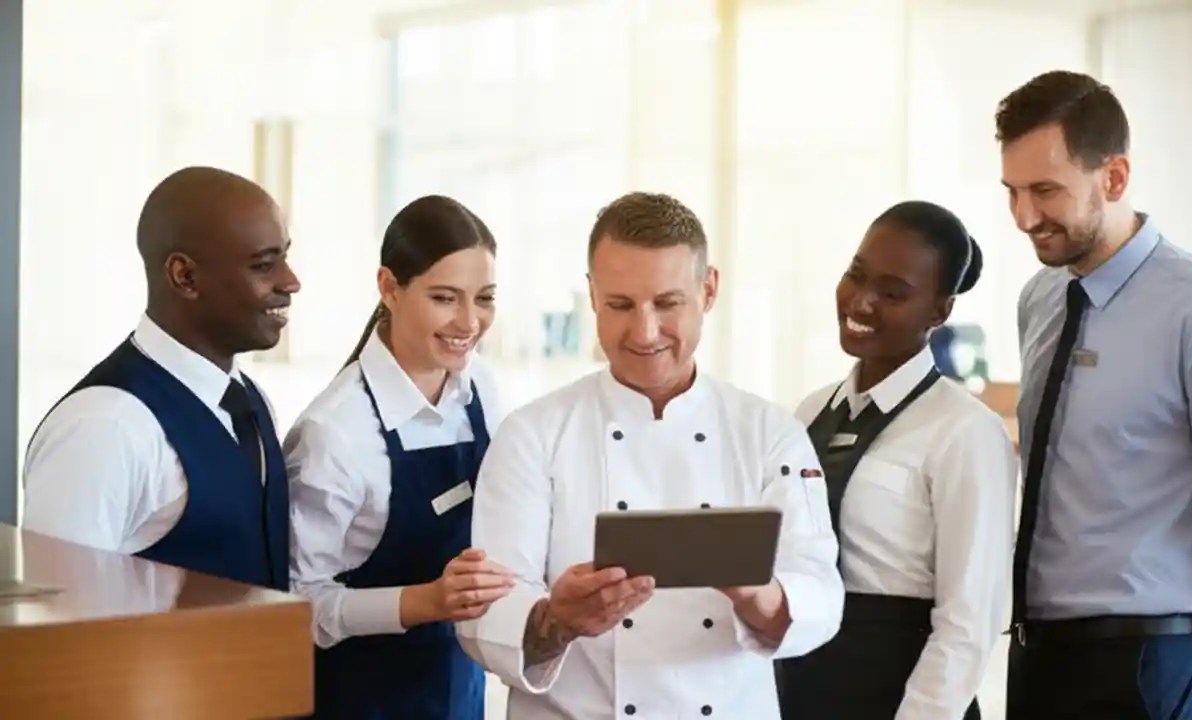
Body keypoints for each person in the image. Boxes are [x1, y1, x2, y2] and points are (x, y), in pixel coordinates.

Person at [457, 192, 844, 719]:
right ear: (591, 296)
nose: (644, 332)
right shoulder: (532, 435)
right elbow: (484, 616)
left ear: (708, 291)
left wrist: (757, 594)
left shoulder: (770, 432)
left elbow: (821, 593)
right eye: (620, 305)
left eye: (667, 303)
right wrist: (558, 618)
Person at [998, 70, 1192, 719]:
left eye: (1045, 191)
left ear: (1115, 178)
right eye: (1011, 191)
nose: (1023, 217)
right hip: (1038, 656)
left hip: (1153, 662)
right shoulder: (1040, 299)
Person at [779, 201, 1016, 720]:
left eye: (892, 293)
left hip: (903, 697)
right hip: (803, 692)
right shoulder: (810, 412)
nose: (861, 302)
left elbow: (968, 620)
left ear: (940, 311)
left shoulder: (966, 431)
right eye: (855, 276)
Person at [285, 195, 513, 719]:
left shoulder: (479, 386)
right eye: (444, 298)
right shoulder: (335, 433)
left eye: (485, 298)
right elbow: (299, 608)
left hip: (458, 692)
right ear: (389, 287)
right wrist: (429, 601)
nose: (470, 321)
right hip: (360, 701)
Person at [23, 166, 300, 591]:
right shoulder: (104, 427)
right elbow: (55, 625)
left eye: (284, 256)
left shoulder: (248, 399)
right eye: (264, 265)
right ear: (184, 277)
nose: (291, 281)